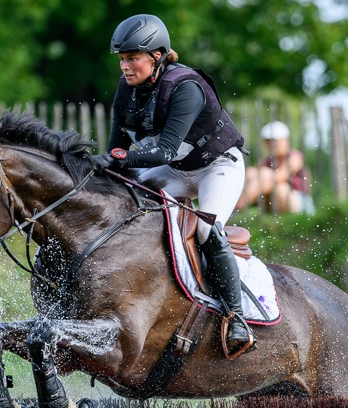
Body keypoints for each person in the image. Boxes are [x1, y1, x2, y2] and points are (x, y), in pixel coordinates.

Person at [90, 14, 254, 357]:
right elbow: (117, 147)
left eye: (133, 57)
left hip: (218, 166)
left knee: (209, 231)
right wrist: (110, 168)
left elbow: (162, 149)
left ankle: (236, 317)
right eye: (122, 59)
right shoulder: (127, 90)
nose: (125, 66)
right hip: (178, 168)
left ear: (158, 55)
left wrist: (119, 159)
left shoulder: (186, 87)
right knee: (130, 202)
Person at [237, 121, 313, 214]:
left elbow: (281, 176)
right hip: (274, 199)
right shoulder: (266, 161)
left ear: (285, 140)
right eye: (268, 142)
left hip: (297, 200)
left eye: (275, 141)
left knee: (279, 187)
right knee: (251, 172)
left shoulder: (295, 157)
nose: (271, 145)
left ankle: (238, 205)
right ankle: (239, 204)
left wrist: (260, 183)